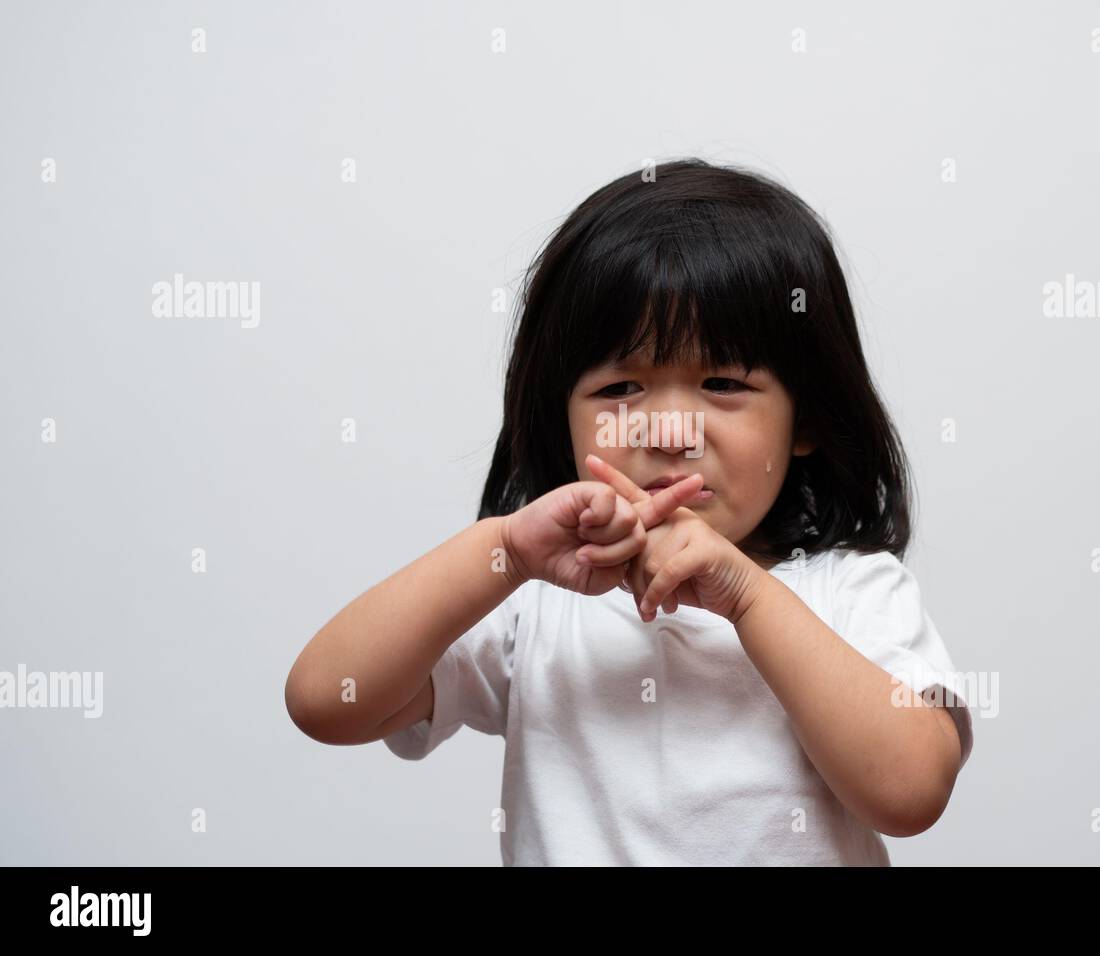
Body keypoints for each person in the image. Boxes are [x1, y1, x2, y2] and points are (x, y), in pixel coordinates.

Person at [285, 158, 974, 865]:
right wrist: (505, 552)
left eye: (722, 382)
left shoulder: (849, 591)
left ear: (807, 420)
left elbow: (911, 792)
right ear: (564, 423)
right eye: (621, 386)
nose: (670, 430)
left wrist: (746, 597)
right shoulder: (534, 604)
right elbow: (324, 701)